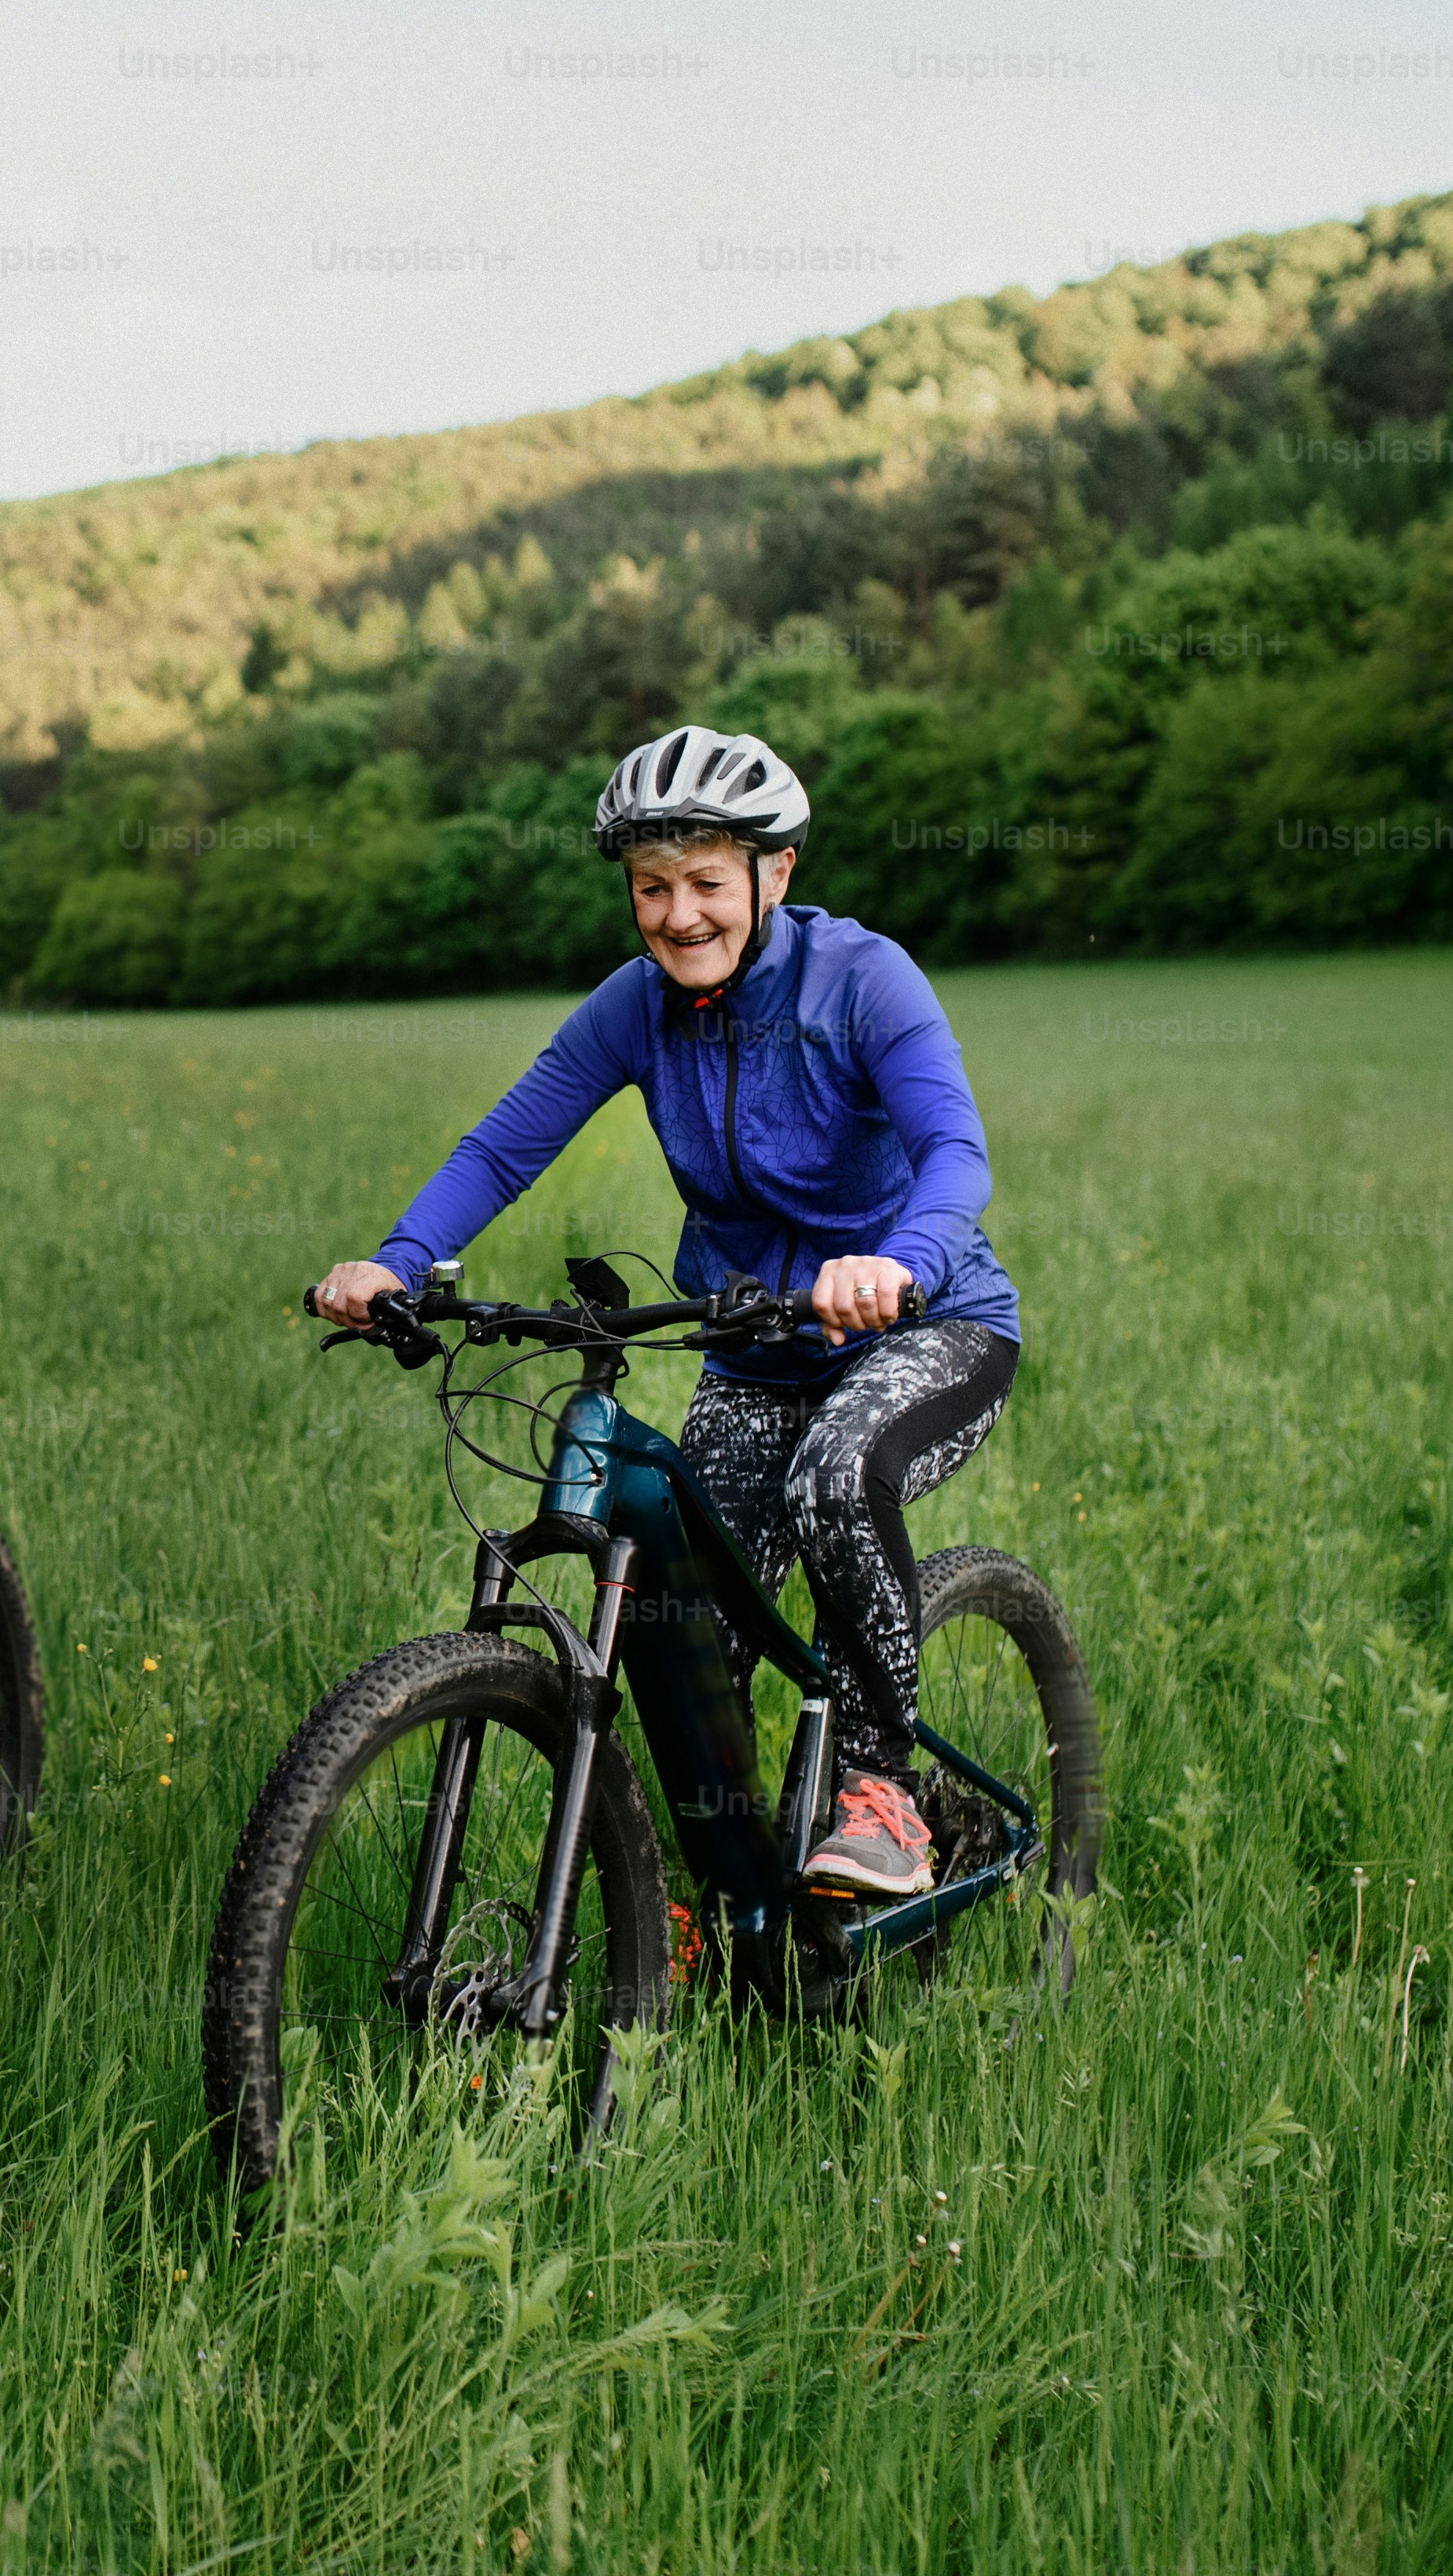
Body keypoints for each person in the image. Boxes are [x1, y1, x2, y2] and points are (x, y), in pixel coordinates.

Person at [308, 726, 1021, 1897]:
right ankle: (739, 1911)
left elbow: (954, 1148)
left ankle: (884, 1786)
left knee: (838, 1479)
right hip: (753, 1349)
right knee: (690, 1639)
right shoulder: (636, 1008)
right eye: (652, 887)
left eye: (705, 883)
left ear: (774, 874)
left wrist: (897, 1261)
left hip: (926, 1326)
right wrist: (401, 1261)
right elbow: (505, 1147)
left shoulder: (862, 981)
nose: (678, 915)